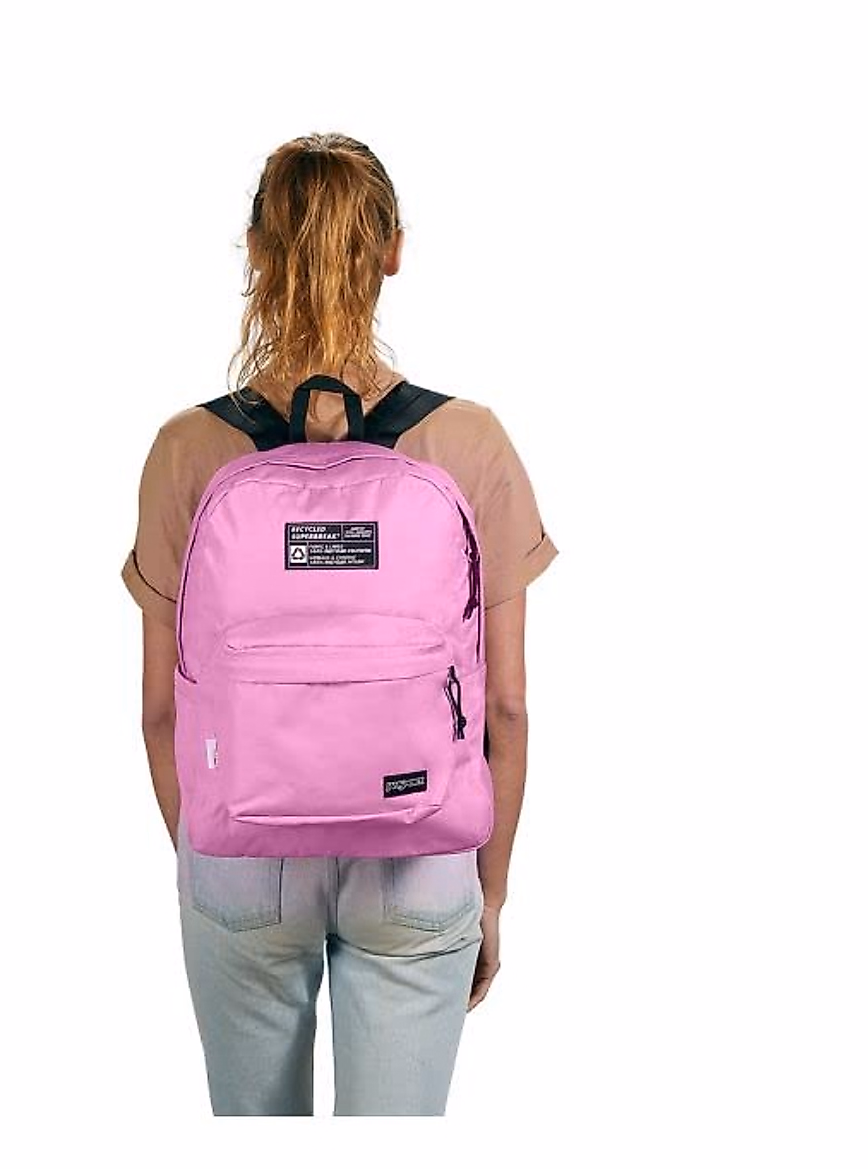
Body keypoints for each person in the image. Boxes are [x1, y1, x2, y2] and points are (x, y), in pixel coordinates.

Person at [120, 133, 558, 1116]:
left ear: (255, 250)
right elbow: (507, 708)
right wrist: (489, 893)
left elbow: (159, 712)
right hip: (420, 849)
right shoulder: (469, 440)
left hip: (242, 851)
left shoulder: (186, 448)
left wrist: (212, 861)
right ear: (392, 250)